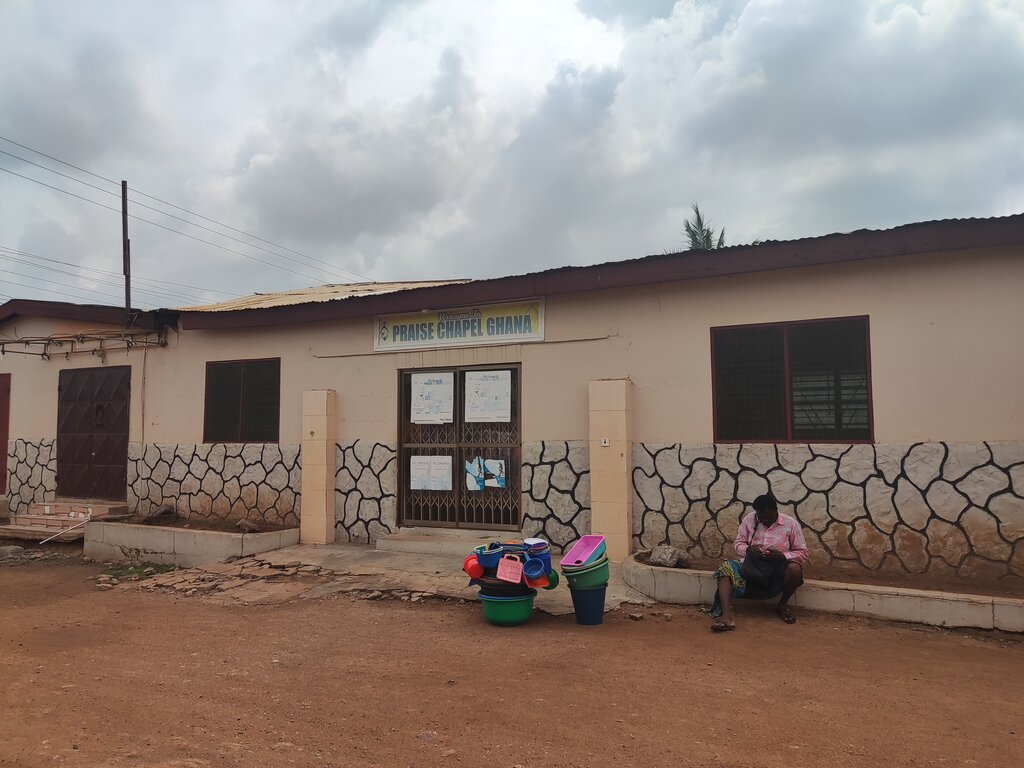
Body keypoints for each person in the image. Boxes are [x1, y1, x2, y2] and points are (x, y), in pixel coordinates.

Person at [707, 493, 808, 631]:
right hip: (751, 564)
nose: (764, 520)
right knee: (725, 569)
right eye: (760, 517)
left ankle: (782, 605)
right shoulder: (750, 519)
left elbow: (802, 553)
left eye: (767, 517)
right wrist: (748, 550)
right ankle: (727, 618)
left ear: (775, 510)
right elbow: (738, 543)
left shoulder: (791, 524)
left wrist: (782, 556)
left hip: (777, 566)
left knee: (795, 570)